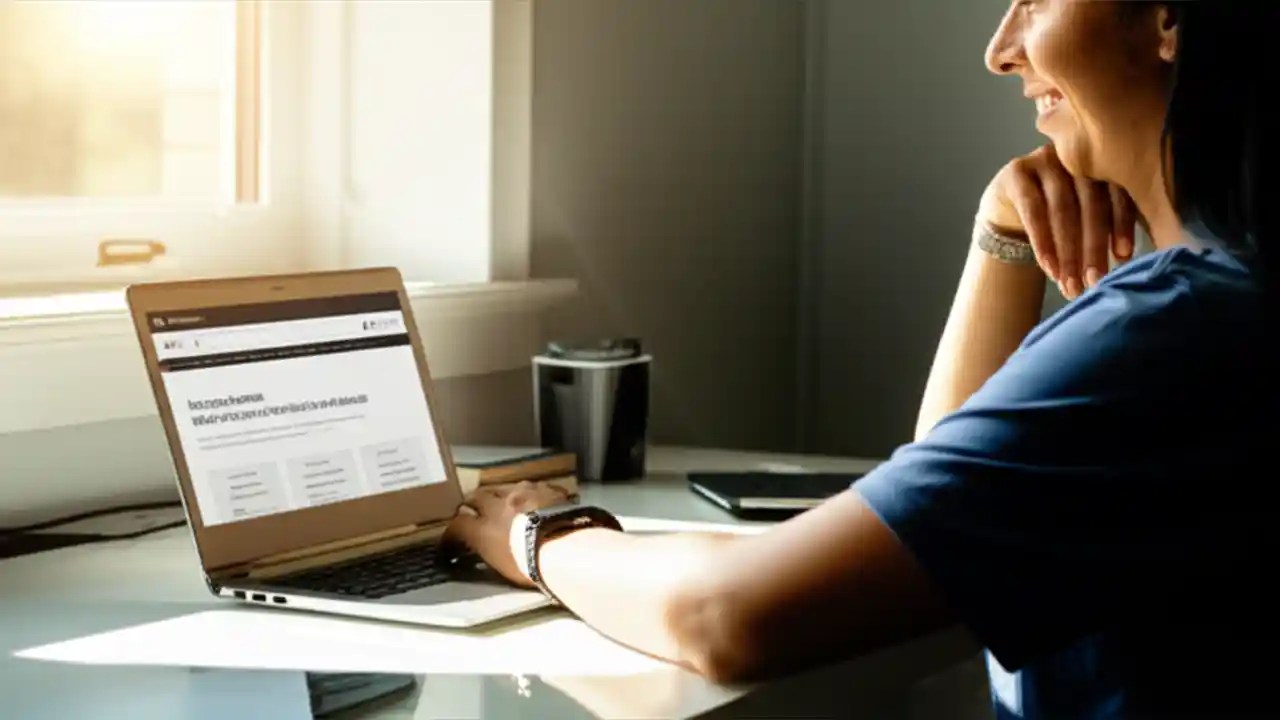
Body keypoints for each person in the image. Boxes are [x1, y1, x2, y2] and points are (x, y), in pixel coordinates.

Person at [445, 2, 1278, 717]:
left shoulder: (1175, 329)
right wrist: (1001, 232)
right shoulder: (1232, 300)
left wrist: (537, 534)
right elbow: (949, 499)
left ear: (1169, 18)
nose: (1000, 48)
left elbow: (726, 618)